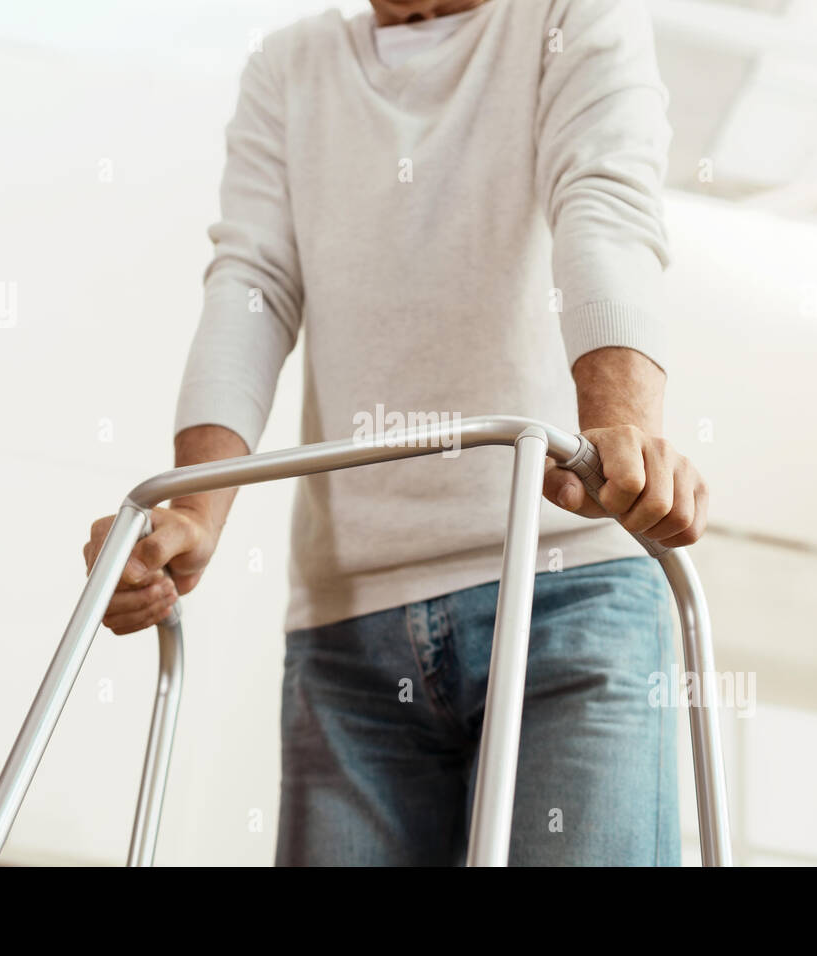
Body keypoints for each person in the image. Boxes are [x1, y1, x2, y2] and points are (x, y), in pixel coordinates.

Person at [83, 0, 707, 866]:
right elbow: (251, 283)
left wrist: (622, 428)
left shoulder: (574, 13)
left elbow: (603, 196)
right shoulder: (288, 67)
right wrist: (193, 511)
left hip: (569, 592)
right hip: (351, 634)